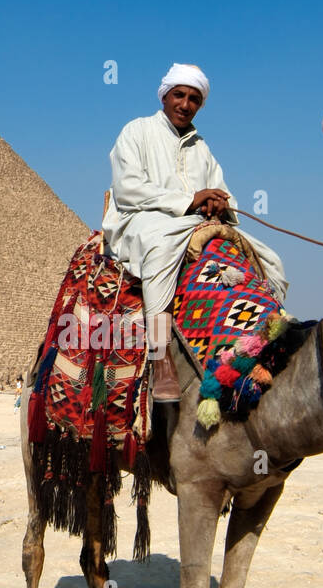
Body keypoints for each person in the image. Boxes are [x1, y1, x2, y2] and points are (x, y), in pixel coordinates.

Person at [102, 63, 289, 402]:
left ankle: (262, 337)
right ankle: (161, 358)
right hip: (143, 220)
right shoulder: (137, 131)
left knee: (269, 259)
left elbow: (220, 188)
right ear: (165, 96)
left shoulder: (202, 148)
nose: (185, 104)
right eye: (179, 95)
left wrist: (219, 203)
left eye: (194, 99)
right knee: (161, 250)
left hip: (192, 222)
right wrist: (189, 200)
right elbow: (127, 189)